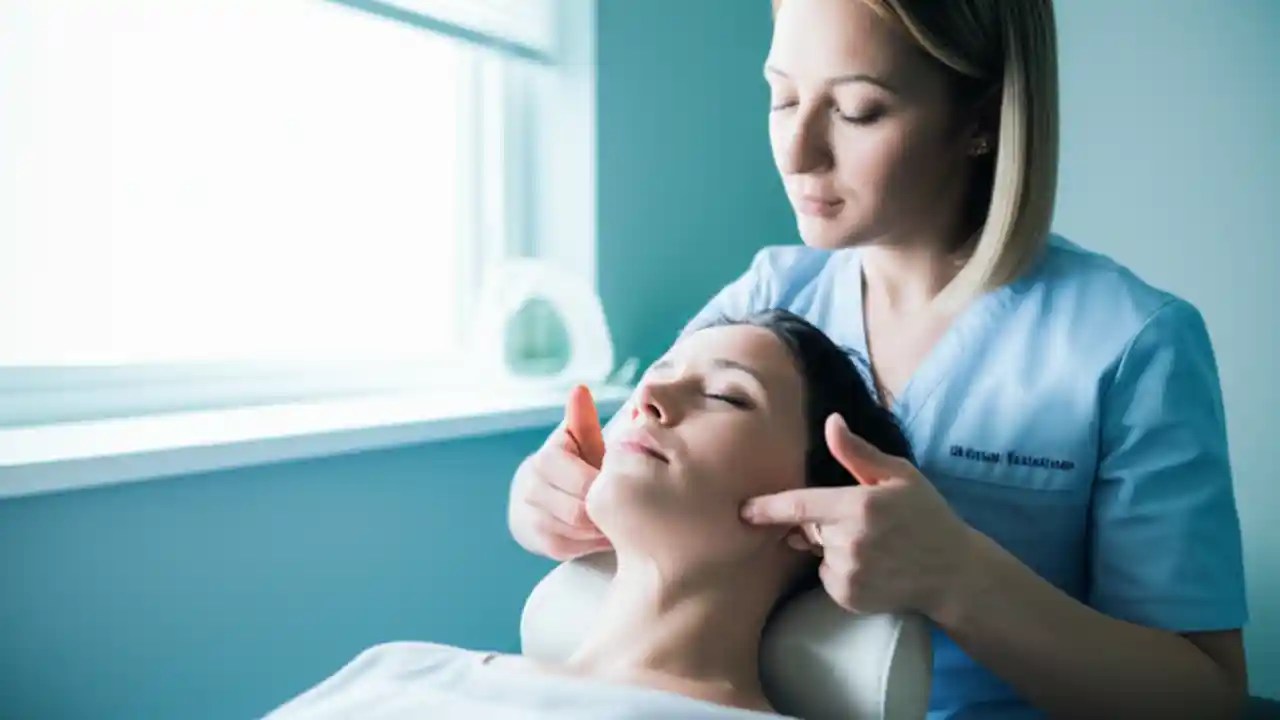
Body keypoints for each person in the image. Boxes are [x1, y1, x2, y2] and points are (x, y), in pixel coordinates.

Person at [507, 1, 1250, 718]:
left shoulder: (1131, 344)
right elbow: (625, 470)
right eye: (782, 97)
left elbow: (1206, 697)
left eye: (857, 110)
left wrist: (959, 577)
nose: (797, 153)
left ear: (981, 120)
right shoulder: (766, 297)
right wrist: (546, 499)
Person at [267, 310, 911, 719]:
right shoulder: (405, 669)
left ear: (814, 519)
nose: (648, 395)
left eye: (725, 395)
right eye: (657, 372)